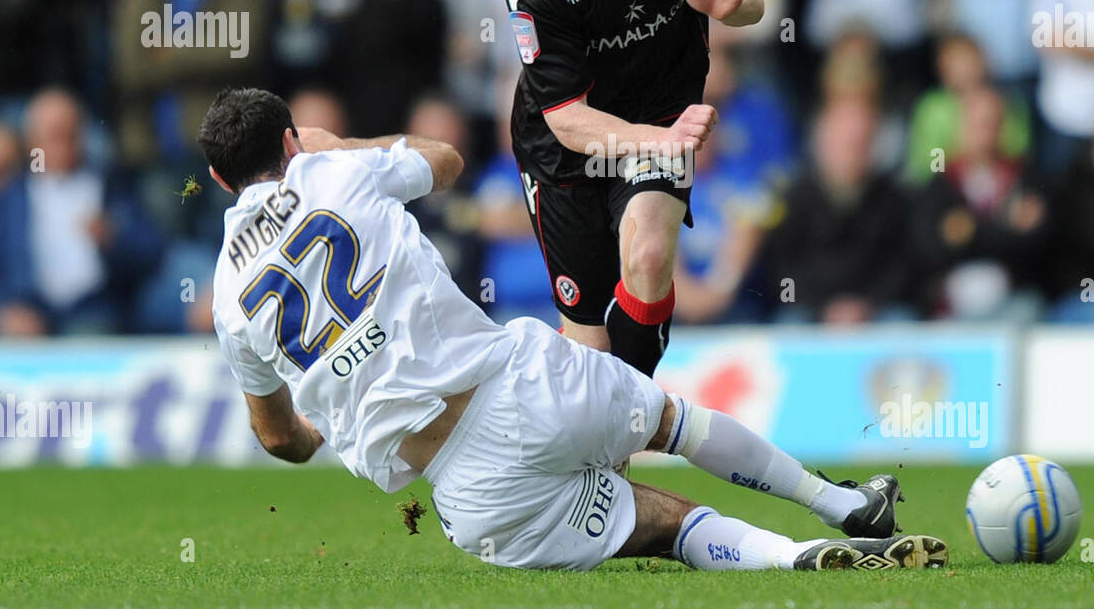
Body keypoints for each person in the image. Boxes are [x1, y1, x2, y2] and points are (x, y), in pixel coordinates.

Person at [198, 87, 948, 573]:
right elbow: (448, 161)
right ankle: (840, 505)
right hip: (516, 385)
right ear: (293, 144)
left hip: (468, 492)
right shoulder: (335, 172)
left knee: (657, 524)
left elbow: (277, 438)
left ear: (224, 183)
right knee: (672, 425)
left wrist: (323, 426)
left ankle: (795, 559)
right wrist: (343, 149)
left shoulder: (229, 295)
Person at [504, 0, 764, 375]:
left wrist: (732, 7)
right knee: (588, 350)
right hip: (566, 150)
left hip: (660, 111)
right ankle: (615, 453)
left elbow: (749, 2)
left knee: (648, 253)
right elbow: (568, 120)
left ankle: (636, 405)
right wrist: (664, 141)